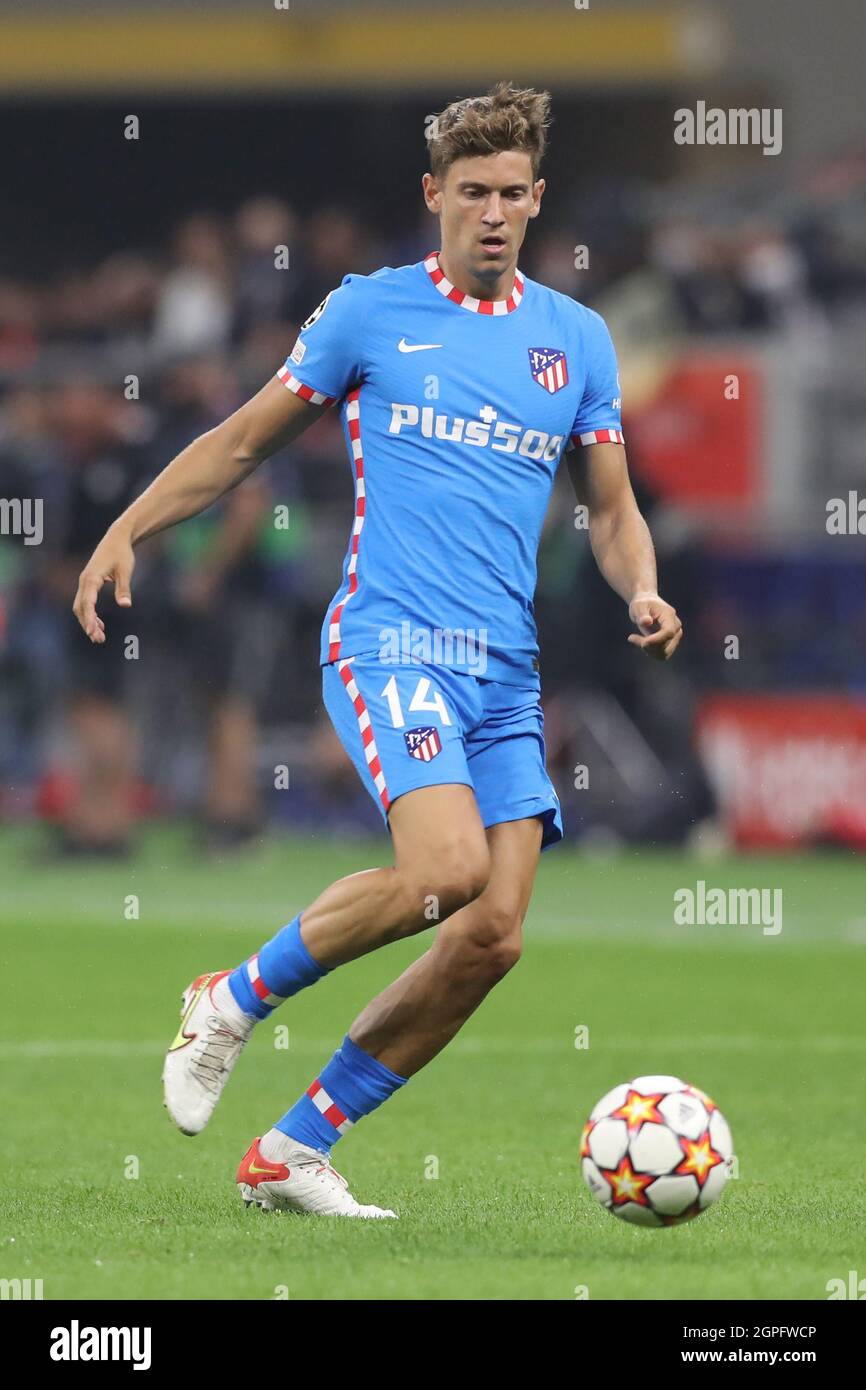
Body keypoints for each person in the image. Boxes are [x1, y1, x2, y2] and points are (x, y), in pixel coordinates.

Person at [73, 82, 682, 1219]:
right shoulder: (368, 311)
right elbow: (243, 440)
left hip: (505, 670)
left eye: (511, 194)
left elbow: (609, 508)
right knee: (443, 872)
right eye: (471, 193)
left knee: (490, 933)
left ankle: (296, 1145)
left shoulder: (575, 340)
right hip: (390, 636)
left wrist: (640, 585)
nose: (493, 213)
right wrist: (129, 527)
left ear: (536, 198)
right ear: (432, 196)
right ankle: (232, 993)